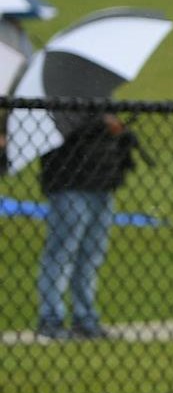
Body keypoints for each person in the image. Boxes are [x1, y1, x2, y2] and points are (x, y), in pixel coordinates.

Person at [35, 112, 137, 340]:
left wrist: (119, 132)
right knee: (62, 252)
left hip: (102, 181)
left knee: (91, 254)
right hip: (68, 181)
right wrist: (102, 123)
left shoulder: (98, 93)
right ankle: (51, 319)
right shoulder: (56, 95)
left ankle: (86, 318)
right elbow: (63, 127)